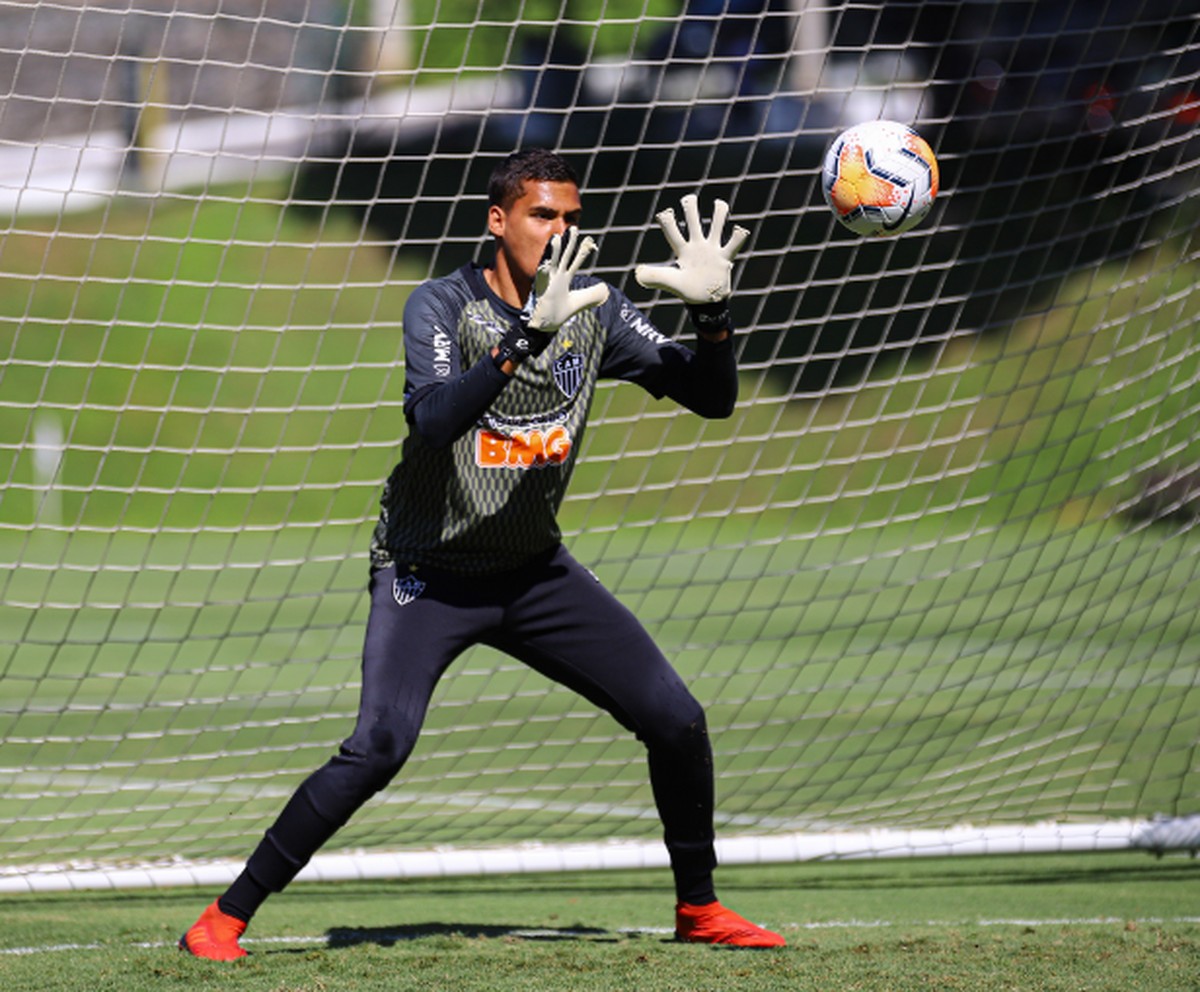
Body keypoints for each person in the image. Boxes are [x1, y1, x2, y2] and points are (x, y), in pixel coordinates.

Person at [179, 148, 785, 959]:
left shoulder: (594, 312)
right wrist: (521, 338)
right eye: (542, 215)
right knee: (380, 746)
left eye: (571, 216)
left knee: (676, 720)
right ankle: (222, 918)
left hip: (533, 571)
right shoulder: (440, 304)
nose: (561, 231)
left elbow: (711, 399)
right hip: (428, 574)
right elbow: (432, 420)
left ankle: (699, 909)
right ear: (499, 221)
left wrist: (713, 319)